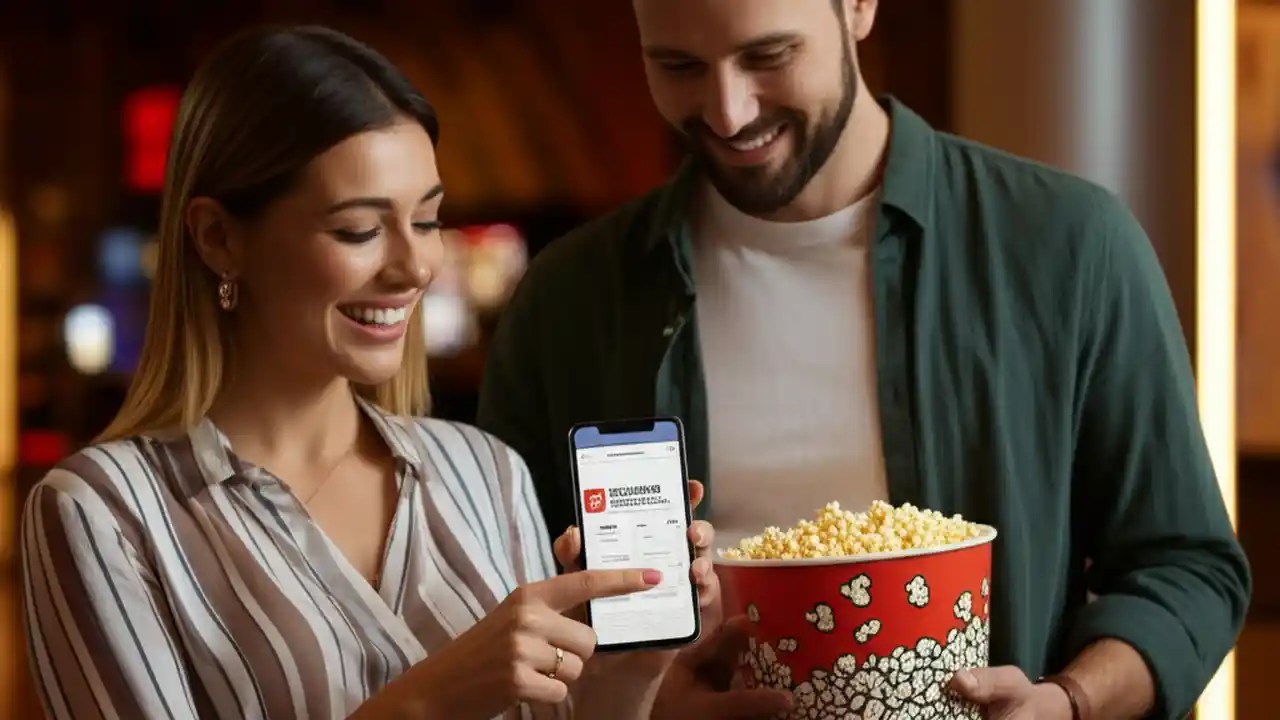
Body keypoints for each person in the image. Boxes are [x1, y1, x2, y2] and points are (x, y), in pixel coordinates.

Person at [476, 1, 1253, 718]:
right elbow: (501, 617)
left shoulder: (1070, 247)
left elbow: (1187, 573)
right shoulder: (569, 301)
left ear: (858, 6)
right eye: (678, 66)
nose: (727, 109)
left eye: (769, 55)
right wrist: (638, 705)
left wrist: (1070, 701)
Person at [19, 25, 793, 720]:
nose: (415, 264)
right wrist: (436, 697)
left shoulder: (486, 472)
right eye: (359, 228)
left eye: (425, 219)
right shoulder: (103, 513)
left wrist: (631, 676)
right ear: (220, 238)